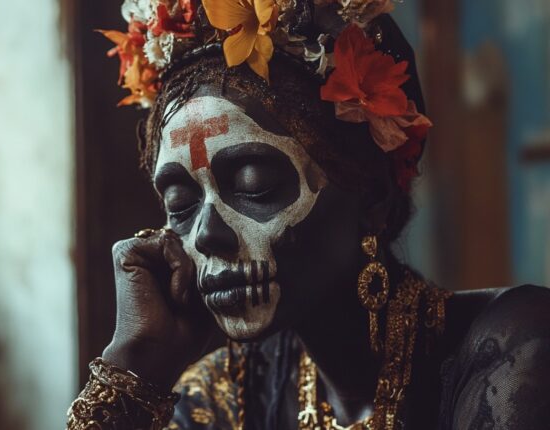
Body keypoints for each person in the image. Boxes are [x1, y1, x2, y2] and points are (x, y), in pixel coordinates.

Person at [67, 1, 550, 428]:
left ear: (373, 199)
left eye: (254, 184)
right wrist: (135, 370)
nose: (208, 234)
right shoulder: (224, 394)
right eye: (181, 204)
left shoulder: (515, 346)